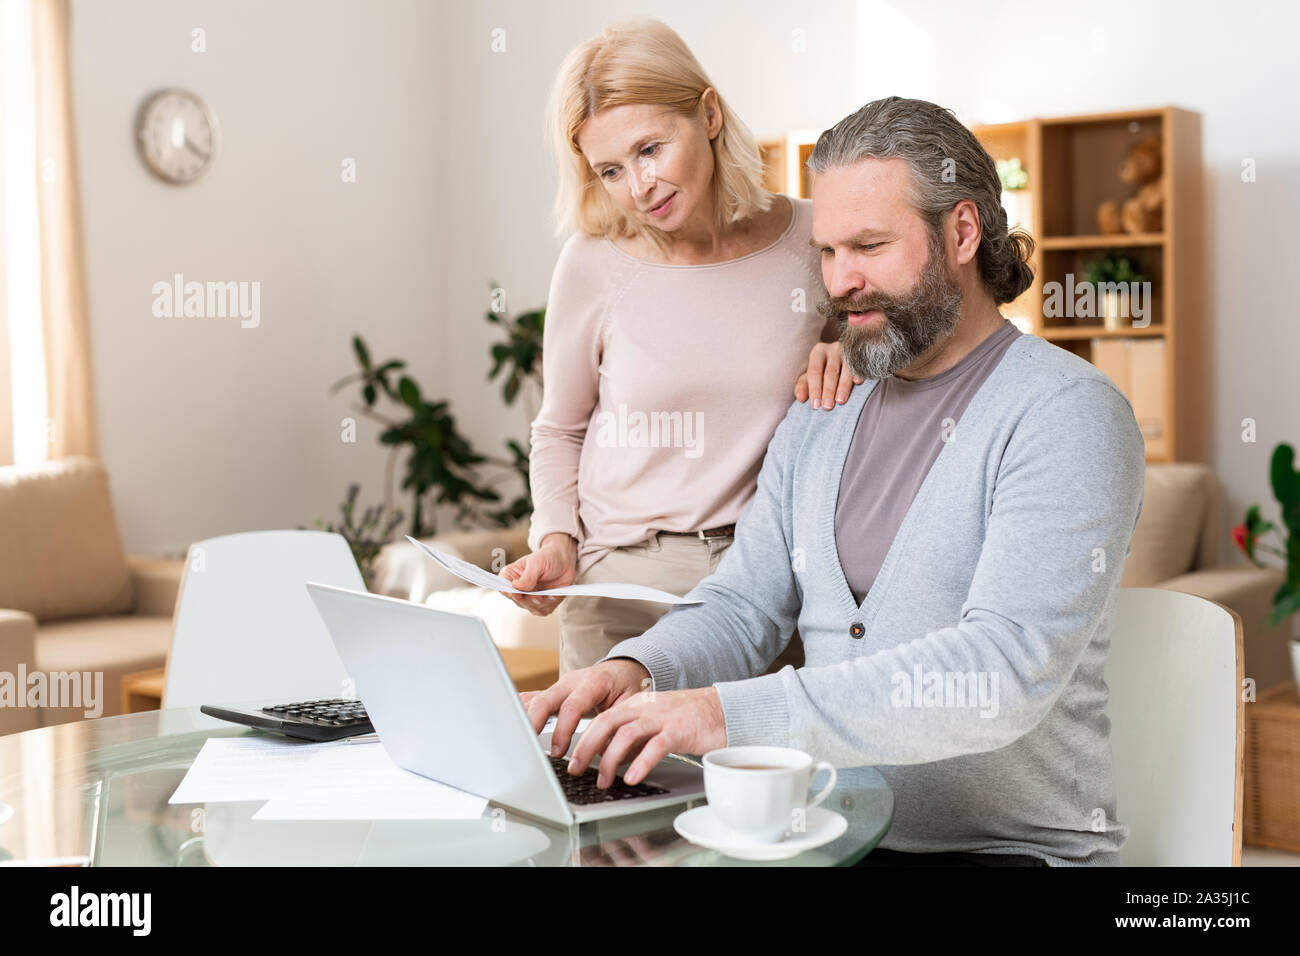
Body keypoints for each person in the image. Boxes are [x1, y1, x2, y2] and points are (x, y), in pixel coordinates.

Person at [522, 96, 1146, 867]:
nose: (842, 282)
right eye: (826, 252)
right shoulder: (825, 408)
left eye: (870, 247)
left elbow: (1000, 671)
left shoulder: (1067, 413)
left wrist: (722, 714)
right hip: (827, 837)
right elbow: (744, 603)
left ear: (961, 233)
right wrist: (639, 670)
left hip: (1009, 852)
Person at [501, 20, 860, 674]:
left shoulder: (812, 239)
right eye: (610, 170)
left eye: (650, 150)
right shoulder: (592, 263)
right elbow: (560, 428)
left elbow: (892, 384)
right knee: (608, 747)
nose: (638, 187)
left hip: (768, 583)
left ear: (709, 115)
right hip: (621, 591)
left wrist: (858, 356)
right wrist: (555, 539)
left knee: (768, 745)